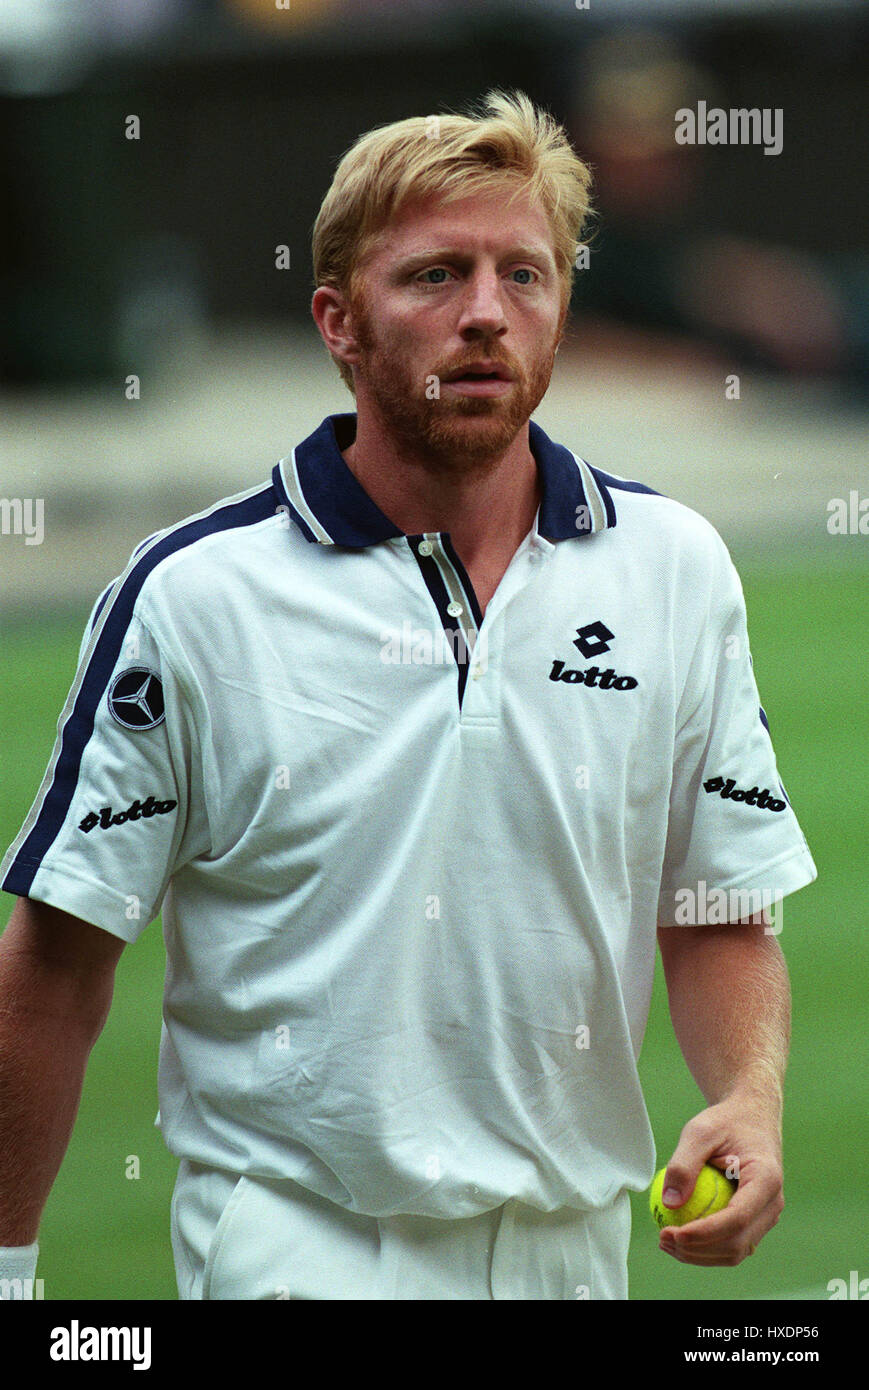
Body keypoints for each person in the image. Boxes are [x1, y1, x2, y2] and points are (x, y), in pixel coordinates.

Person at [0, 90, 817, 1301]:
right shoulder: (194, 596)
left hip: (574, 1253)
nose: (485, 314)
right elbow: (56, 961)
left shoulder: (676, 567)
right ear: (336, 321)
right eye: (434, 277)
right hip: (299, 1247)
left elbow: (713, 908)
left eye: (521, 276)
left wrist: (746, 1095)